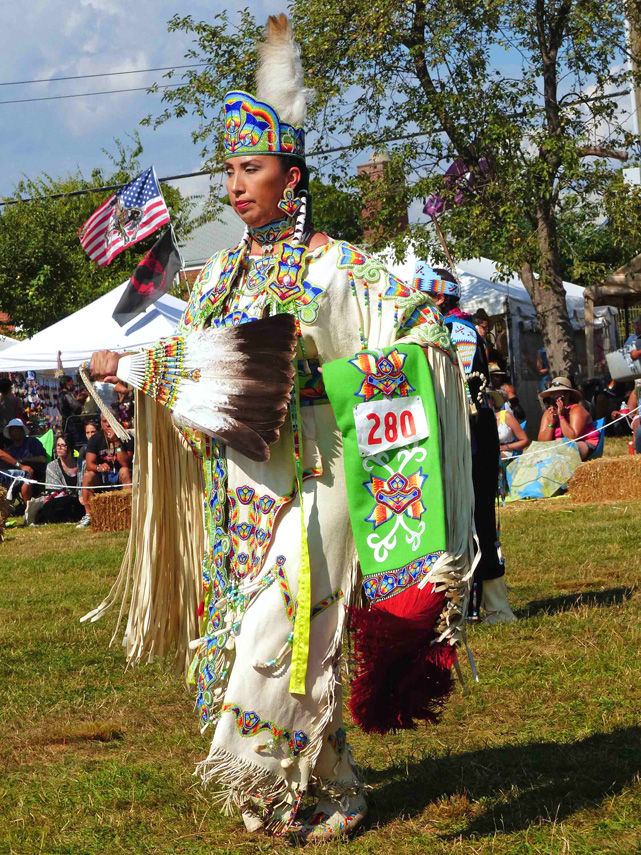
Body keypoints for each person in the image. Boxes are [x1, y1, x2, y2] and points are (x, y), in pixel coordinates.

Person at [85, 15, 474, 843]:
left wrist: (325, 377)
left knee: (284, 623)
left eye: (250, 168)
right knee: (285, 635)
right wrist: (132, 369)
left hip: (327, 470)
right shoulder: (220, 277)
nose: (233, 185)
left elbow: (426, 340)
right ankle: (325, 784)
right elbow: (200, 370)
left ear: (290, 178)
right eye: (227, 169)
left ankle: (276, 774)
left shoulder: (341, 268)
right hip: (244, 483)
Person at [414, 264, 516, 626]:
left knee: (476, 514)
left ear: (439, 297)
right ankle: (455, 602)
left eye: (422, 295)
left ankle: (495, 607)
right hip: (452, 429)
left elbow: (458, 385)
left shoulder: (458, 331)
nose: (415, 301)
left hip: (470, 429)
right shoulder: (439, 328)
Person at [76, 413, 133, 528]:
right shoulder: (95, 439)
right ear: (101, 423)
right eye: (104, 421)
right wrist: (99, 467)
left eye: (110, 421)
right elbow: (89, 464)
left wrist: (116, 442)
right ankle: (89, 515)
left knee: (125, 471)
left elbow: (125, 463)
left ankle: (128, 512)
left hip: (119, 473)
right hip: (102, 475)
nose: (108, 425)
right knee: (88, 476)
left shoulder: (127, 437)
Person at [26, 433, 84, 524]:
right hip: (62, 501)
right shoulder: (52, 466)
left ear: (71, 447)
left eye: (63, 445)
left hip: (81, 501)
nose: (59, 448)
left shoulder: (82, 464)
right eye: (58, 445)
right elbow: (54, 492)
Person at [537, 377, 599, 460]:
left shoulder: (577, 410)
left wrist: (561, 416)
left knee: (567, 449)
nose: (554, 396)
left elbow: (572, 438)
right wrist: (551, 423)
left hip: (581, 444)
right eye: (552, 393)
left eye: (557, 393)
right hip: (558, 447)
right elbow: (542, 443)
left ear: (567, 394)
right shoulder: (549, 413)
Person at [0, 417, 47, 503]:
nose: (15, 432)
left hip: (35, 472)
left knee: (26, 474)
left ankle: (27, 507)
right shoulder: (10, 449)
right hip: (16, 475)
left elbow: (42, 459)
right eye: (13, 430)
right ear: (10, 433)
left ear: (23, 430)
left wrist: (23, 460)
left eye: (17, 429)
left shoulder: (32, 442)